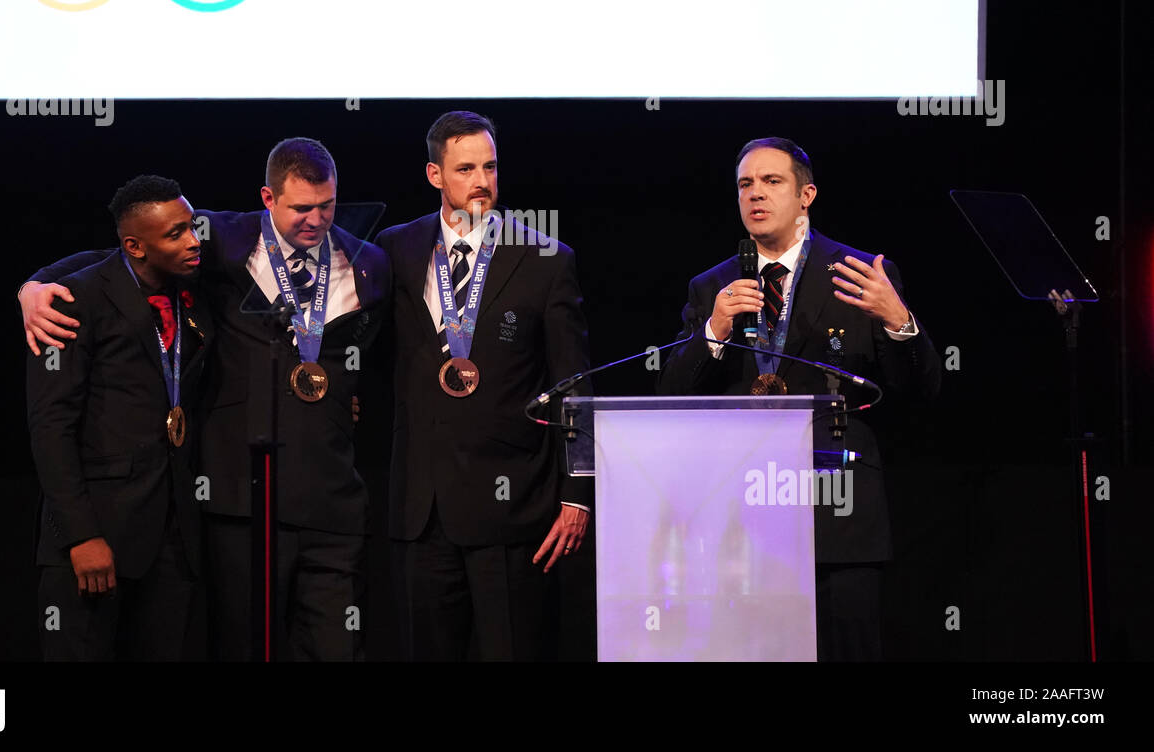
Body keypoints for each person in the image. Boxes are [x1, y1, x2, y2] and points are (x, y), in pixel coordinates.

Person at [20, 140, 391, 661]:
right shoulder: (221, 240)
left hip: (325, 498)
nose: (315, 220)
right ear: (268, 198)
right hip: (233, 498)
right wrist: (33, 286)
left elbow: (371, 354)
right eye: (301, 208)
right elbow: (114, 256)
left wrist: (343, 399)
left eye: (326, 206)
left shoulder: (369, 262)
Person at [657, 137, 941, 661]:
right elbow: (672, 396)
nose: (755, 195)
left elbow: (921, 391)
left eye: (772, 182)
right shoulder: (712, 286)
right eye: (745, 184)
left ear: (806, 194)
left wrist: (900, 323)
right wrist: (714, 331)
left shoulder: (858, 274)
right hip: (742, 525)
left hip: (837, 512)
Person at [374, 110, 591, 661]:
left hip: (514, 509)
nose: (482, 182)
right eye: (466, 168)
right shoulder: (394, 250)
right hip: (422, 510)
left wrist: (578, 496)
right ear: (434, 175)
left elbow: (574, 387)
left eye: (490, 167)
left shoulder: (547, 258)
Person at [28, 174, 209, 661]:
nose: (193, 241)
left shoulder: (193, 287)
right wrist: (82, 535)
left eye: (192, 226)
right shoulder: (68, 301)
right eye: (176, 234)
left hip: (173, 537)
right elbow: (51, 426)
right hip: (94, 536)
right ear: (135, 246)